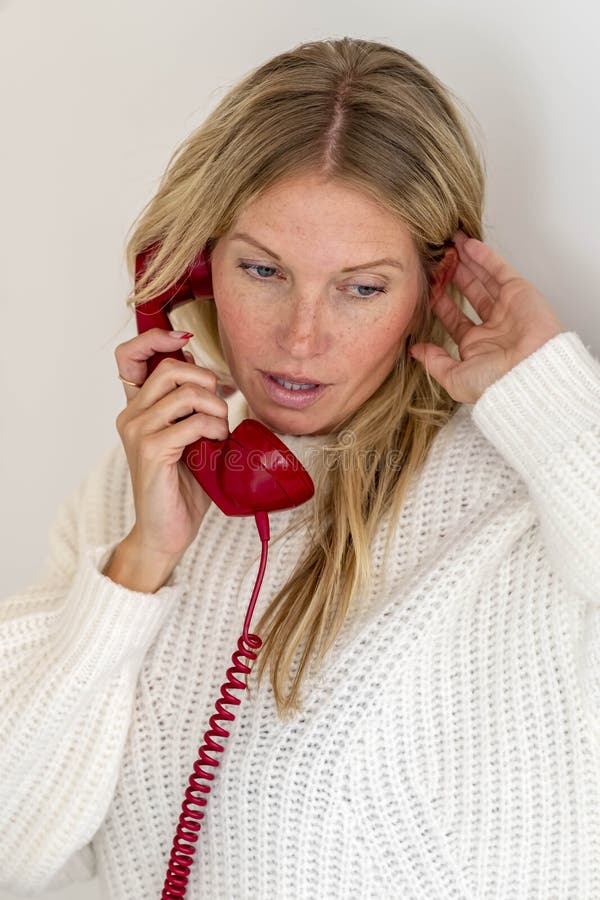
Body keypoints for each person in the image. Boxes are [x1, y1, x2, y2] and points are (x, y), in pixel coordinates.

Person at [1, 35, 599, 900]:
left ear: (434, 287)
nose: (301, 339)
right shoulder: (143, 485)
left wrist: (552, 397)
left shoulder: (530, 494)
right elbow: (15, 848)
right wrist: (140, 565)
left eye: (361, 287)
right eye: (262, 271)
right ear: (191, 271)